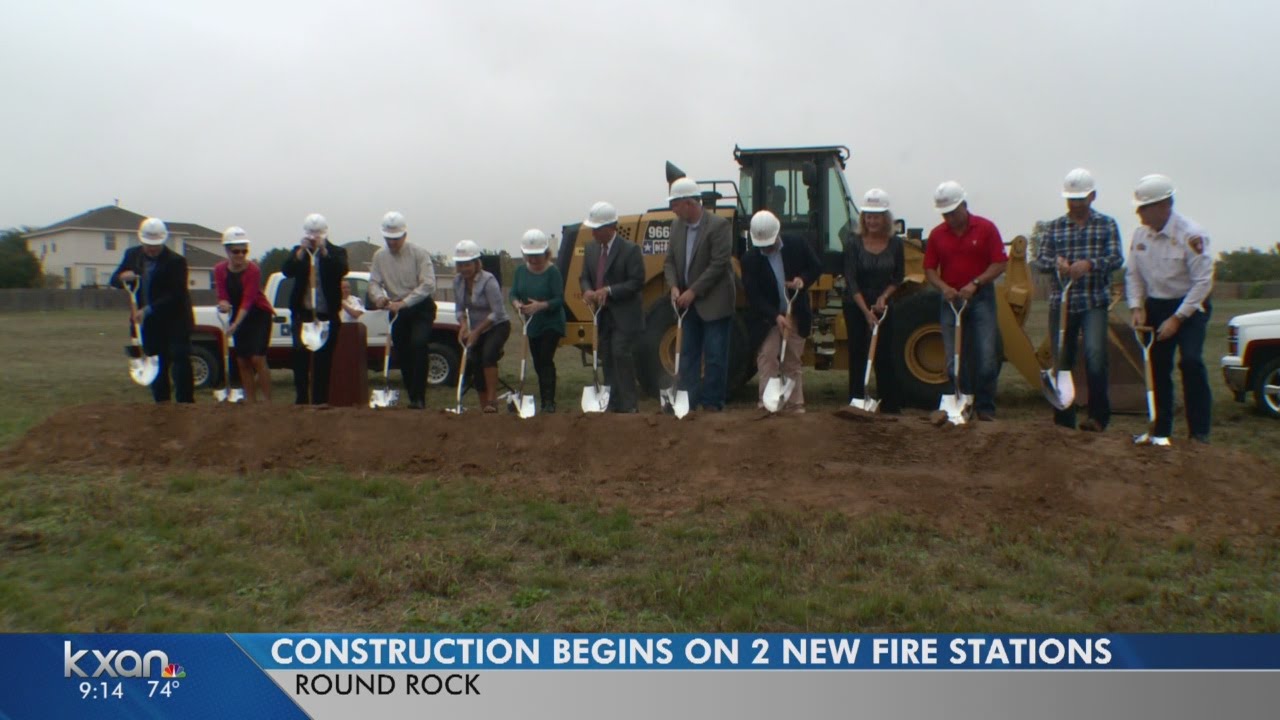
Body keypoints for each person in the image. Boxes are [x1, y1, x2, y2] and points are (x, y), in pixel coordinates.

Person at [1125, 174, 1214, 446]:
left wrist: (1177, 319)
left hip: (1190, 306)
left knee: (1190, 361)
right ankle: (1160, 431)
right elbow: (1134, 275)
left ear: (1164, 205)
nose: (1138, 212)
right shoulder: (1141, 235)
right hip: (1156, 304)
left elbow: (1203, 282)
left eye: (1144, 207)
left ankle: (1198, 433)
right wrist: (1137, 307)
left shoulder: (1191, 234)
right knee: (1157, 367)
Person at [1032, 169, 1124, 431]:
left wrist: (1090, 264)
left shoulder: (1106, 224)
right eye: (1071, 199)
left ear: (1092, 196)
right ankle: (1063, 418)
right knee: (1062, 359)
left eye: (1081, 198)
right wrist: (1057, 263)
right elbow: (1041, 261)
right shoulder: (1055, 227)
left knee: (1095, 355)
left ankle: (1097, 417)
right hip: (1061, 303)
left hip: (1093, 301)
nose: (1076, 204)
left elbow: (1116, 258)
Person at [923, 182, 1008, 423]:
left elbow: (1000, 263)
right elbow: (929, 269)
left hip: (981, 298)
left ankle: (985, 407)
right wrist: (944, 288)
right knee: (954, 358)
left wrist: (976, 283)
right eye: (945, 214)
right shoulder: (938, 235)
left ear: (964, 205)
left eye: (953, 212)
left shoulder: (986, 228)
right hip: (951, 301)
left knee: (987, 355)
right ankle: (962, 401)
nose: (949, 218)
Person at [662, 176, 735, 412]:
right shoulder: (676, 227)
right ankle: (688, 402)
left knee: (714, 357)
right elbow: (670, 262)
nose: (672, 209)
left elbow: (718, 264)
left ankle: (712, 404)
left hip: (714, 302)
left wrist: (692, 291)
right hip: (686, 303)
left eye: (675, 204)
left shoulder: (718, 226)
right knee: (687, 355)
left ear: (689, 203)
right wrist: (674, 287)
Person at [742, 210, 821, 414]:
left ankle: (794, 404)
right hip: (767, 318)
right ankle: (767, 404)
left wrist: (801, 280)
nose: (766, 249)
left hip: (795, 311)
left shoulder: (797, 244)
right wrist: (775, 316)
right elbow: (754, 295)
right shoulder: (750, 259)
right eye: (763, 246)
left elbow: (815, 267)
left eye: (769, 245)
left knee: (792, 358)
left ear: (777, 234)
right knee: (768, 356)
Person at [109, 217, 195, 403]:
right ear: (141, 241)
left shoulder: (176, 262)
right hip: (150, 325)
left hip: (175, 321)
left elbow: (176, 294)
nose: (152, 249)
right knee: (156, 363)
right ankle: (161, 406)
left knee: (180, 361)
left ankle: (186, 405)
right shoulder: (132, 255)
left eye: (156, 245)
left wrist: (148, 309)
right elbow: (114, 280)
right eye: (148, 244)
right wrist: (123, 277)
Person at [842, 189, 905, 413]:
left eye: (876, 216)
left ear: (885, 218)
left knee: (885, 354)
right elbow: (851, 280)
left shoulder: (896, 244)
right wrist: (865, 312)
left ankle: (890, 405)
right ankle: (858, 401)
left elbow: (898, 277)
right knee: (858, 352)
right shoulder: (853, 243)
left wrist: (884, 297)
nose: (872, 220)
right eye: (868, 216)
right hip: (856, 304)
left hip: (883, 306)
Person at [579, 201, 645, 413]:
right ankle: (611, 403)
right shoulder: (590, 250)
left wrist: (609, 290)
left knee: (620, 354)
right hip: (602, 315)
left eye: (597, 229)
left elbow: (636, 282)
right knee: (606, 355)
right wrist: (588, 291)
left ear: (611, 228)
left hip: (624, 315)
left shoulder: (630, 250)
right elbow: (585, 277)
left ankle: (629, 405)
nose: (593, 234)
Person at [367, 211, 437, 410]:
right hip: (396, 310)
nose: (392, 243)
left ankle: (420, 397)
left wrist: (405, 302)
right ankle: (412, 396)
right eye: (388, 239)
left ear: (404, 235)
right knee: (403, 352)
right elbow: (374, 282)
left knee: (419, 344)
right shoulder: (379, 257)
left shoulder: (418, 253)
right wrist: (379, 297)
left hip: (419, 306)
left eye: (396, 239)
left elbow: (428, 285)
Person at [281, 213, 349, 405]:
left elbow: (341, 269)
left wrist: (324, 252)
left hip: (326, 314)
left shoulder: (336, 252)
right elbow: (287, 270)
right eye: (310, 235)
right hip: (303, 314)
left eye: (317, 235)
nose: (314, 238)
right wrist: (301, 251)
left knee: (323, 361)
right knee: (300, 358)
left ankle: (320, 401)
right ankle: (301, 399)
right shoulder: (299, 252)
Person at [214, 226, 274, 403]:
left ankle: (267, 401)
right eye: (236, 251)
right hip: (237, 315)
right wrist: (223, 304)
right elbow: (222, 294)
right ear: (227, 251)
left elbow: (248, 299)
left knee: (257, 358)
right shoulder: (219, 270)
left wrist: (235, 324)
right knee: (242, 361)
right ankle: (251, 402)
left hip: (258, 315)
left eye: (244, 251)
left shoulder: (253, 270)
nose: (240, 255)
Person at [511, 229, 566, 413]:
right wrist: (517, 304)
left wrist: (540, 306)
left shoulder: (553, 272)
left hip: (551, 322)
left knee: (545, 358)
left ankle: (548, 402)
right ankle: (543, 398)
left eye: (537, 256)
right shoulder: (520, 271)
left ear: (545, 253)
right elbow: (513, 293)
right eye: (529, 256)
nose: (533, 260)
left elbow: (559, 299)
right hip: (531, 324)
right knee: (537, 362)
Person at [453, 239, 510, 413]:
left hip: (497, 326)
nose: (464, 269)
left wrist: (477, 331)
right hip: (476, 327)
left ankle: (492, 401)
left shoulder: (488, 280)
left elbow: (497, 312)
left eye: (467, 264)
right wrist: (463, 326)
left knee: (488, 354)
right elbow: (459, 309)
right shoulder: (458, 282)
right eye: (461, 265)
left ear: (476, 263)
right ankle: (484, 405)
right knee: (475, 360)